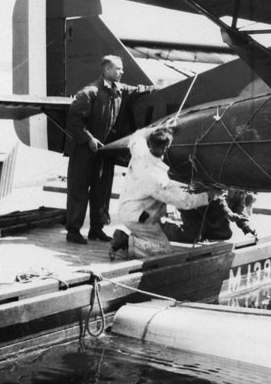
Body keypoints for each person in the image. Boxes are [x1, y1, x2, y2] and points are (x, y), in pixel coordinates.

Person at [64, 55, 153, 244]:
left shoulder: (120, 90)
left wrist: (158, 89)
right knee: (79, 190)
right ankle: (73, 231)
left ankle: (96, 229)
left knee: (101, 191)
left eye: (121, 69)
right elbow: (73, 119)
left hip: (104, 151)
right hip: (84, 150)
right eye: (118, 69)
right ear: (106, 70)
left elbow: (140, 89)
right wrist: (89, 139)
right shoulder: (89, 93)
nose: (122, 72)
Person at [110, 126, 209, 257]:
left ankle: (129, 239)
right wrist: (208, 195)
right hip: (139, 217)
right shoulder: (156, 177)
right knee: (163, 250)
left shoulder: (140, 151)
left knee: (157, 240)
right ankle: (125, 241)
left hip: (127, 208)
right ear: (165, 148)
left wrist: (160, 128)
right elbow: (185, 202)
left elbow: (138, 135)